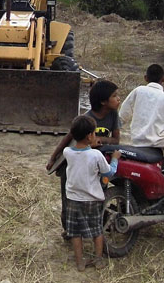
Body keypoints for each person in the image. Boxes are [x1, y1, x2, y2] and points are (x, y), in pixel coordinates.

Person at [46, 80, 121, 240]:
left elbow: (116, 140)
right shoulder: (86, 119)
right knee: (70, 198)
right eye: (114, 96)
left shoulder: (113, 115)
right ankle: (69, 228)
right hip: (77, 163)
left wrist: (100, 139)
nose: (118, 99)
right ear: (103, 102)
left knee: (98, 194)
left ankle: (95, 226)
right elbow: (68, 138)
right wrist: (53, 158)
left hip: (97, 163)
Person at [62, 115, 120, 271]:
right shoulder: (96, 155)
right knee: (97, 231)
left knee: (75, 233)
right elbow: (109, 173)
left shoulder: (68, 152)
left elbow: (79, 153)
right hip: (92, 199)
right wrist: (115, 159)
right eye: (94, 133)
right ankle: (98, 260)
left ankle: (80, 263)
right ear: (90, 136)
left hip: (73, 199)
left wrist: (89, 145)